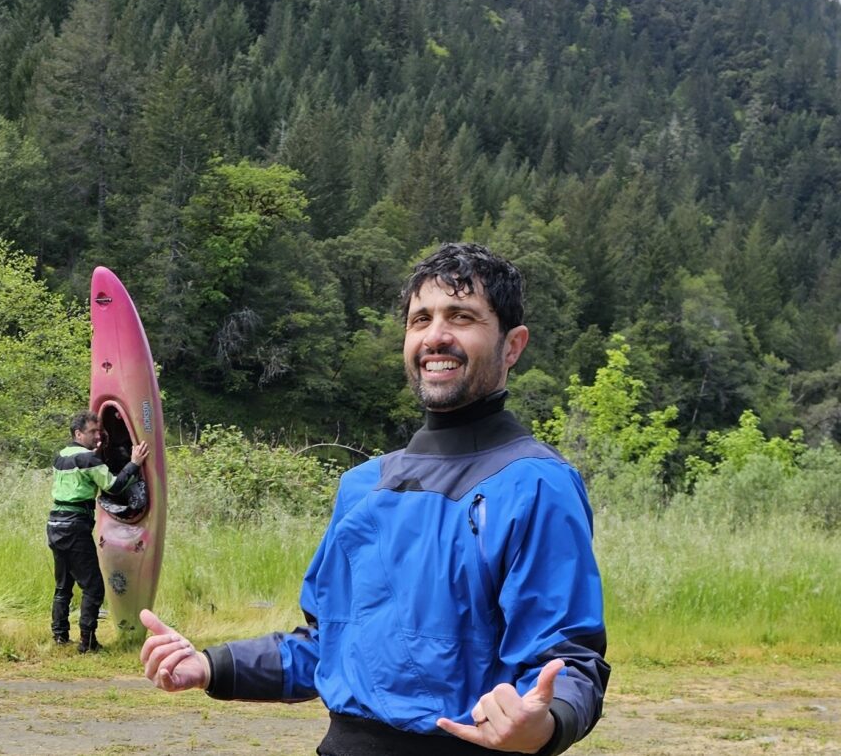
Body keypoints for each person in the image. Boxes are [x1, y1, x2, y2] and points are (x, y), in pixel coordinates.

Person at [140, 242, 610, 755]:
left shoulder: (536, 485)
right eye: (420, 319)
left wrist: (545, 725)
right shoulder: (364, 486)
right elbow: (324, 646)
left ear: (512, 345)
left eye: (462, 317)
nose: (436, 336)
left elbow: (569, 658)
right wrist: (210, 665)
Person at [48, 409, 150, 652]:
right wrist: (134, 464)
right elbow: (114, 486)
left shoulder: (60, 456)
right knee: (93, 588)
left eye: (99, 431)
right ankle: (88, 643)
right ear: (78, 433)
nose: (98, 437)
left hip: (54, 524)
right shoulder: (88, 459)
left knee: (64, 586)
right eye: (93, 432)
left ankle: (60, 636)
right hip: (75, 526)